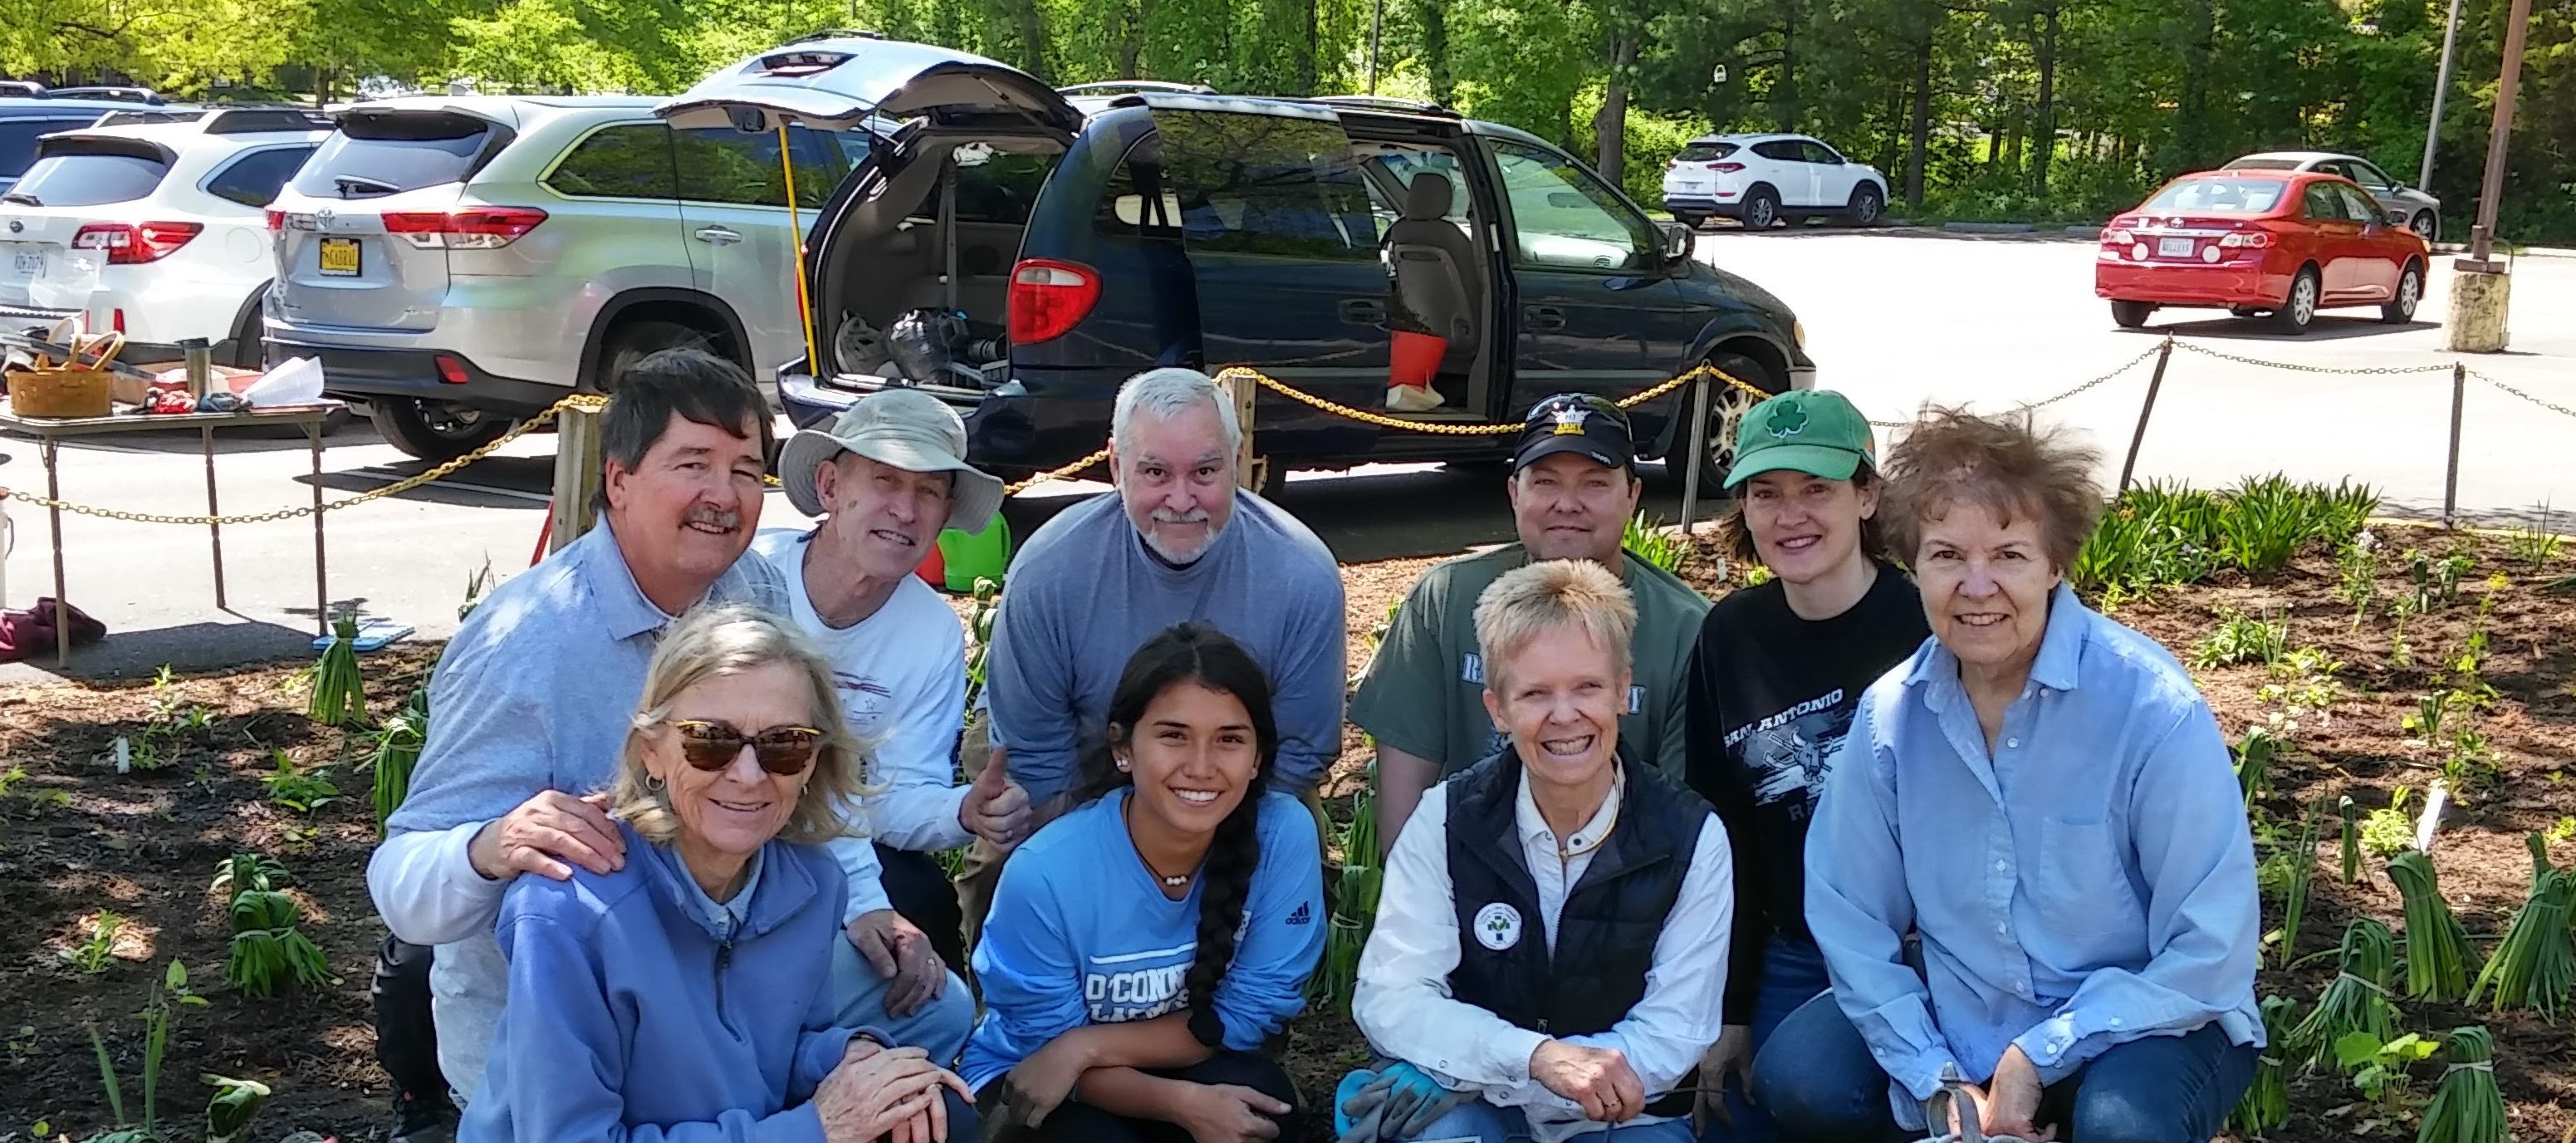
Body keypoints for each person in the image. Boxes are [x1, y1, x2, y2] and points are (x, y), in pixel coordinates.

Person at [367, 349, 972, 1110]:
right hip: (562, 1023)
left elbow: (797, 773)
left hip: (727, 969)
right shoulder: (525, 645)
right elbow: (402, 890)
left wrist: (864, 904)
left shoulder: (750, 586)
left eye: (745, 470)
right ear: (618, 480)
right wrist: (490, 846)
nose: (723, 494)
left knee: (934, 1013)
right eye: (693, 464)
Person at [1776, 408, 2262, 1143]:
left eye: (2008, 555)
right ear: (1913, 567)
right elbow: (1851, 917)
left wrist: (2038, 1056)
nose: (1977, 587)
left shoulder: (2150, 707)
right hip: (1965, 1001)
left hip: (2147, 1016)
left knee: (2120, 1126)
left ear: (2055, 564)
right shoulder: (1892, 718)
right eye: (1947, 556)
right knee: (1802, 1077)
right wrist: (1937, 1080)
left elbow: (2211, 949)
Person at [463, 605, 975, 1143]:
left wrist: (851, 1055)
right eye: (710, 740)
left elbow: (789, 1045)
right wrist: (815, 1129)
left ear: (812, 762)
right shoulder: (568, 911)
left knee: (935, 1116)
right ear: (652, 752)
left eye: (784, 744)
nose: (748, 775)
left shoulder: (813, 884)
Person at [1349, 560, 1734, 1143]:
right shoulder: (1447, 818)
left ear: (1623, 691)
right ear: (1497, 710)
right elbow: (1392, 995)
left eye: (1588, 687)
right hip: (1476, 1101)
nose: (1564, 715)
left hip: (1624, 1110)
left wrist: (1532, 1073)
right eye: (1534, 693)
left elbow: (1676, 1031)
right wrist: (1535, 1059)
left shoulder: (1692, 836)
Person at [970, 367, 1344, 935]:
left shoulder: (1302, 575)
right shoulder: (1049, 571)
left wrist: (1204, 848)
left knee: (1295, 856)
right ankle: (999, 984)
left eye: (1205, 472)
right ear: (1116, 466)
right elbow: (1037, 754)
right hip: (1079, 752)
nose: (1181, 499)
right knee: (1009, 864)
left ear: (1239, 463)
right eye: (1155, 472)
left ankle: (1266, 986)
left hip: (1239, 764)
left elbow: (1297, 753)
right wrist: (1103, 870)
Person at [1678, 390, 1927, 1143]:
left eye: (1816, 489)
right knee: (1733, 1118)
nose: (1791, 516)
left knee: (1818, 1091)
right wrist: (1731, 1009)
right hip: (1793, 945)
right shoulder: (1730, 635)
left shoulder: (1928, 623)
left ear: (1866, 497)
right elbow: (1725, 831)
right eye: (1766, 493)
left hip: (1921, 952)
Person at [967, 622, 1325, 1143]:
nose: (1200, 767)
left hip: (1163, 1057)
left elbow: (1248, 1013)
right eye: (1173, 735)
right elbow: (1046, 1059)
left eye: (1229, 740)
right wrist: (1179, 1105)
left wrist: (1086, 1046)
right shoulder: (1045, 873)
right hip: (1045, 1086)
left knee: (1265, 1104)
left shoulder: (1283, 835)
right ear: (1123, 748)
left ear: (1257, 759)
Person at [1354, 393, 1709, 854]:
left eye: (1594, 483)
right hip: (1462, 872)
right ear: (1514, 493)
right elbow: (1404, 799)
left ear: (1632, 496)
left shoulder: (1688, 630)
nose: (1568, 504)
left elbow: (1680, 817)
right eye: (1545, 482)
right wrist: (1416, 889)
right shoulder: (1445, 600)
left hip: (1624, 878)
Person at [759, 390, 1035, 973]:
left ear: (945, 514)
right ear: (831, 488)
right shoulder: (753, 577)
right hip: (723, 814)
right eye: (886, 481)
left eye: (928, 491)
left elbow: (894, 797)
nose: (906, 512)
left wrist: (965, 811)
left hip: (835, 840)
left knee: (922, 905)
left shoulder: (931, 631)